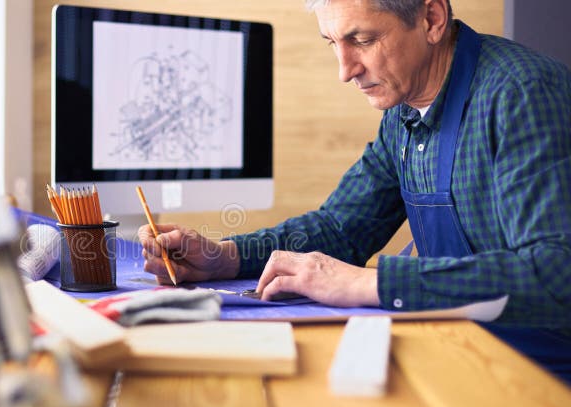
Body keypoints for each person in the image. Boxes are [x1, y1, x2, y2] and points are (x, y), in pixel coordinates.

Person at [138, 0, 571, 384]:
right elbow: (341, 228)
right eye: (332, 43)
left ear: (432, 18)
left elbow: (556, 274)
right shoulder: (402, 114)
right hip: (468, 354)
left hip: (541, 376)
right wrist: (224, 257)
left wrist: (371, 283)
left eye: (361, 39)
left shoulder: (522, 94)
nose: (345, 71)